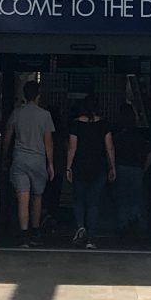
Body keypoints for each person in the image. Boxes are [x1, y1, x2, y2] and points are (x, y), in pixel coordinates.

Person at [2, 81, 55, 247]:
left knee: (23, 197)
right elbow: (48, 142)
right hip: (38, 159)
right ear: (38, 95)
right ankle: (35, 230)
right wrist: (50, 163)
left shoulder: (17, 113)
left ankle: (23, 234)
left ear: (25, 95)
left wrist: (4, 156)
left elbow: (7, 137)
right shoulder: (45, 115)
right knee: (37, 197)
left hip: (20, 159)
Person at [65, 105, 114, 248]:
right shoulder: (104, 125)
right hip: (99, 168)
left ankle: (81, 226)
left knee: (79, 199)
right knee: (94, 203)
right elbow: (109, 147)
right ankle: (91, 238)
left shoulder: (75, 125)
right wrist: (112, 166)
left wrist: (68, 167)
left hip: (80, 167)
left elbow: (72, 148)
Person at [112, 104, 151, 238]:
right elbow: (150, 155)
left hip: (121, 168)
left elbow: (111, 152)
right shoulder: (139, 135)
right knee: (136, 199)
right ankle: (135, 224)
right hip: (136, 169)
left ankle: (122, 227)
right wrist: (143, 169)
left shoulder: (117, 136)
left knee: (122, 199)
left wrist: (111, 168)